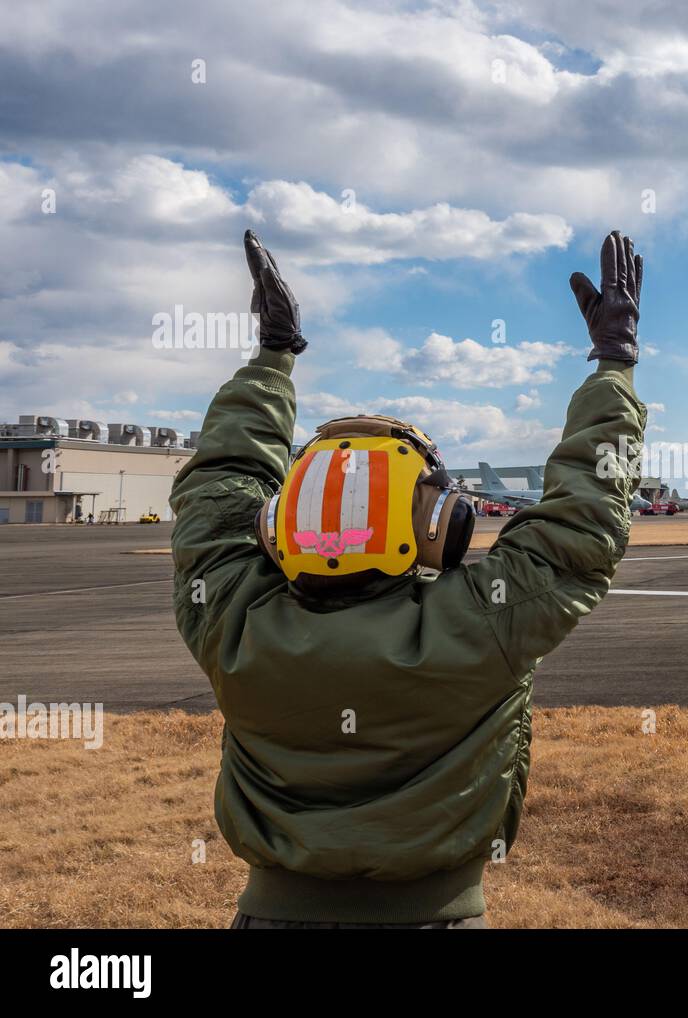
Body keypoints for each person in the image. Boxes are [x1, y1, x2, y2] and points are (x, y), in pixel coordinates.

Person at [170, 229, 646, 928]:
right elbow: (586, 519)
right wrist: (614, 365)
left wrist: (272, 361)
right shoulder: (480, 625)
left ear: (279, 525)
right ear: (439, 525)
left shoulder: (233, 622)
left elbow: (215, 495)